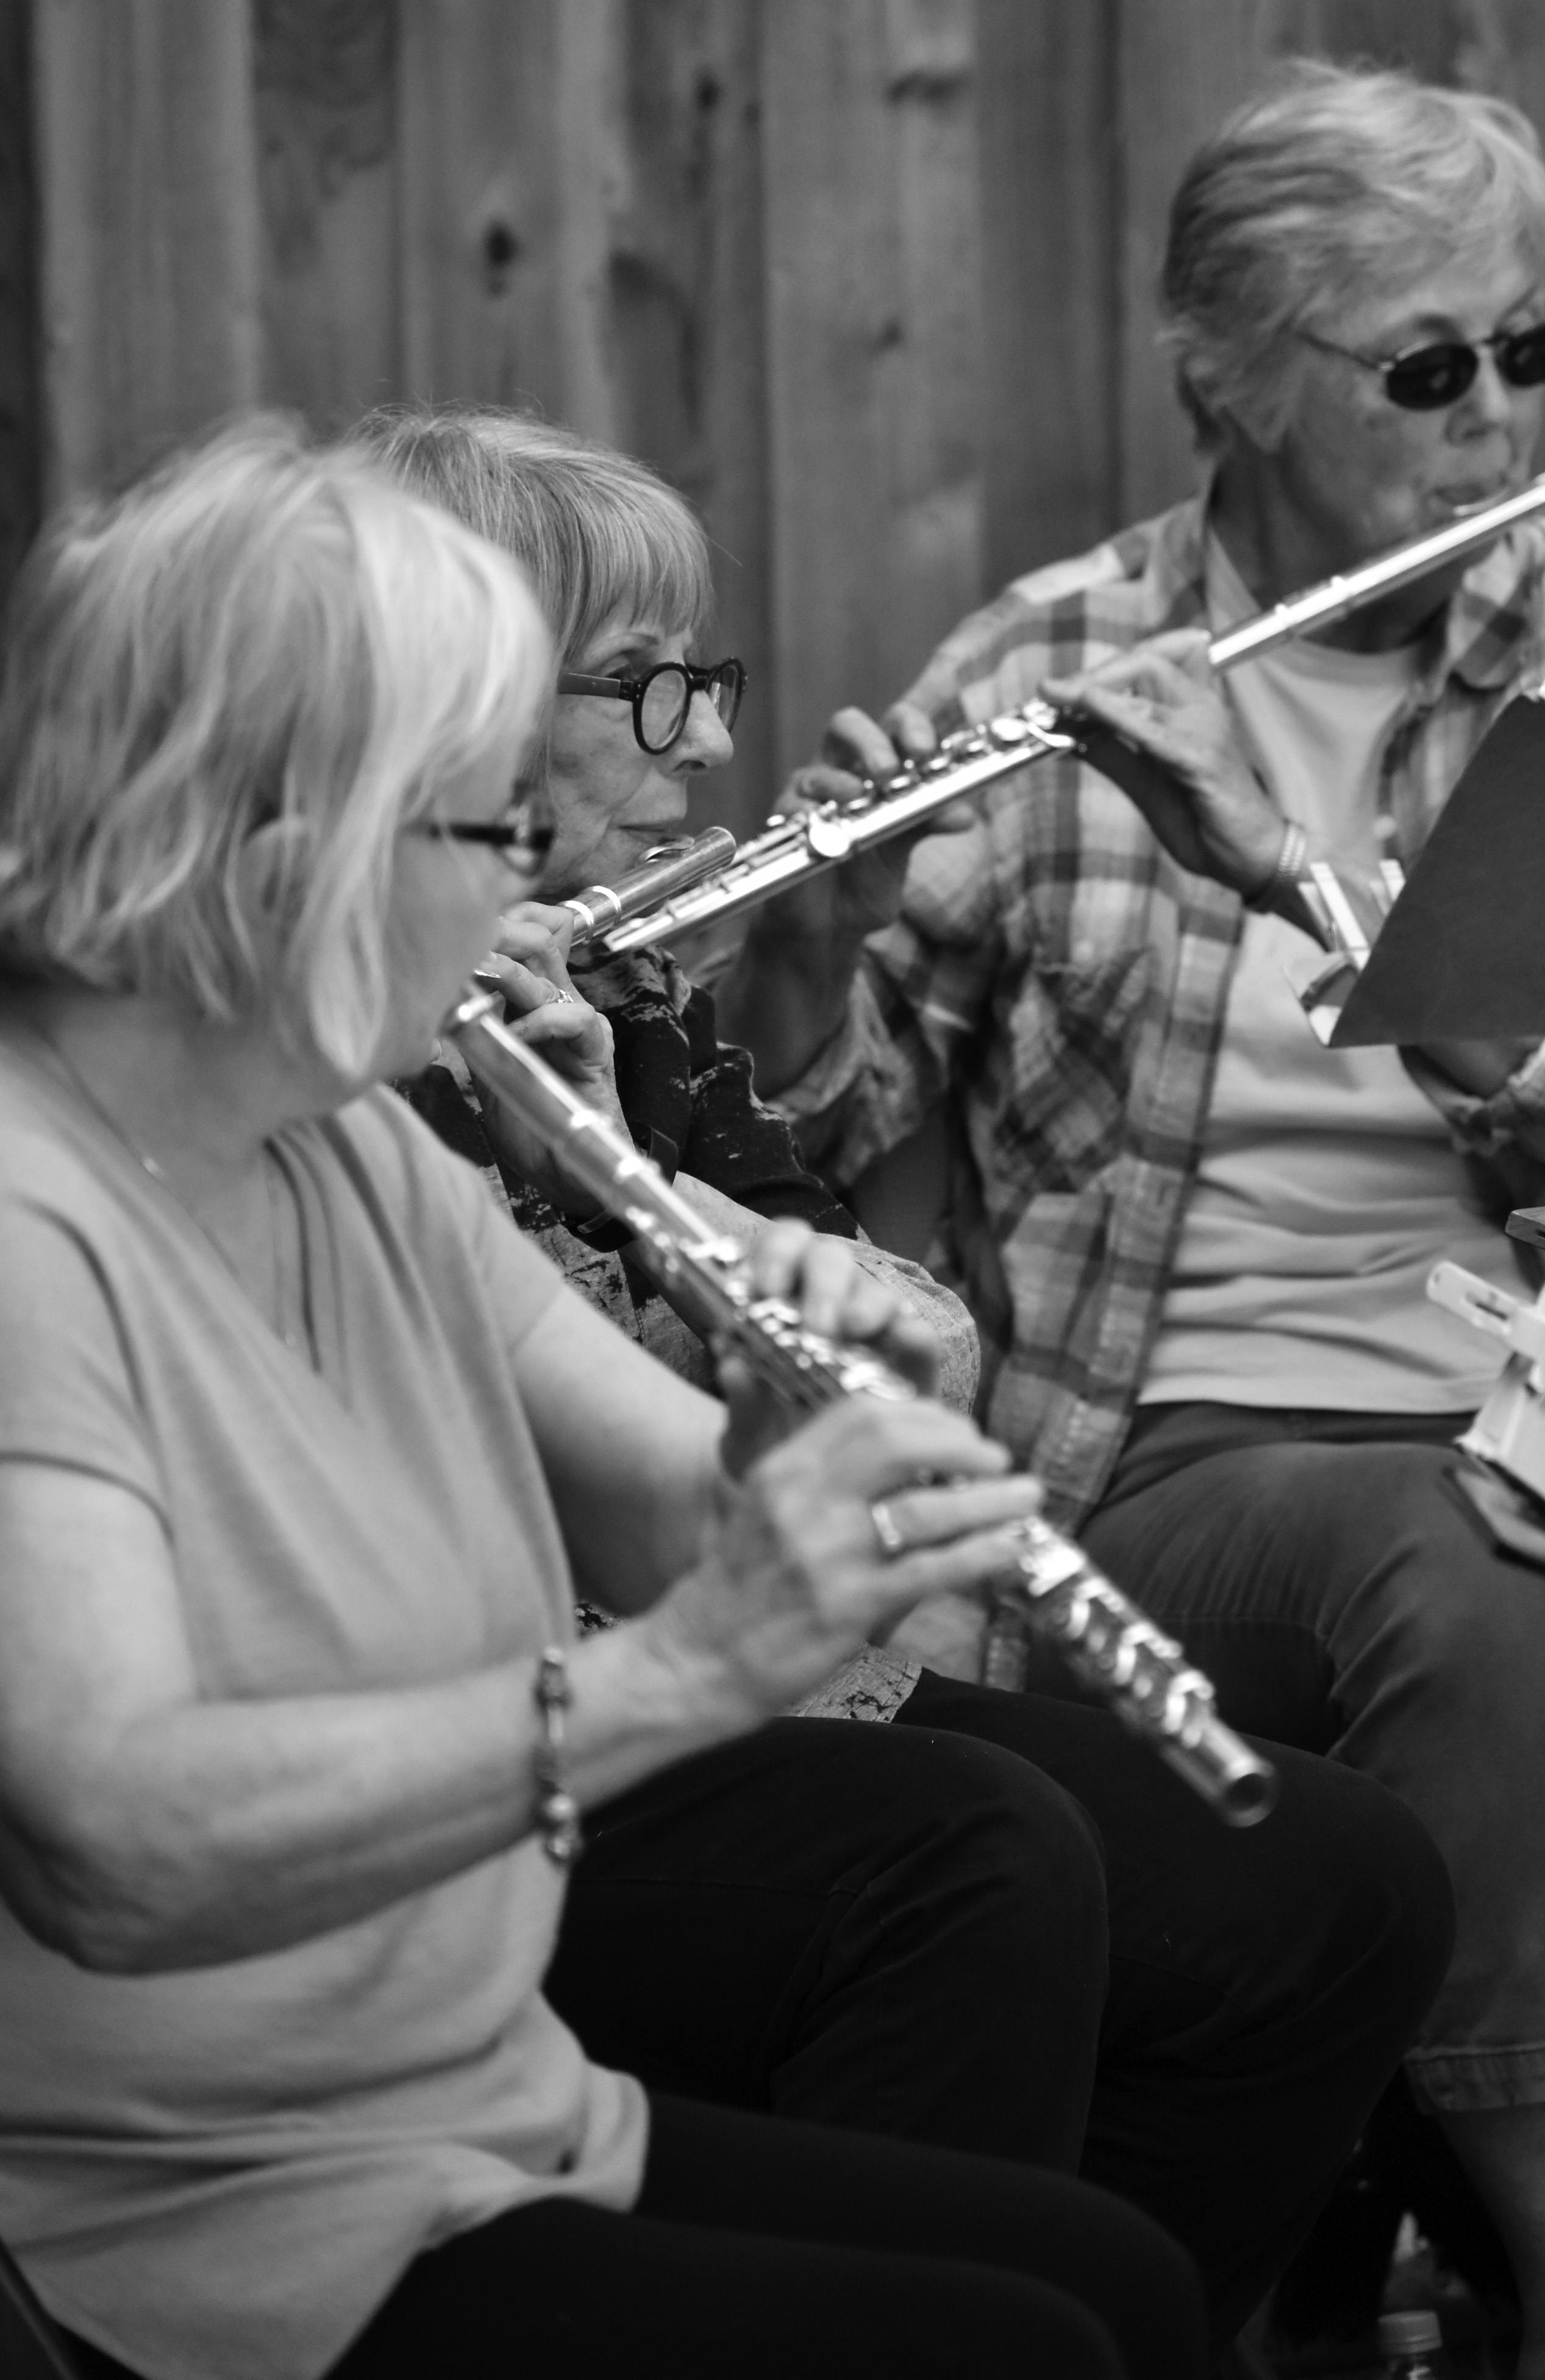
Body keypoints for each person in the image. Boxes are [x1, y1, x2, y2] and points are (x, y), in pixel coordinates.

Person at [0, 420, 1222, 2380]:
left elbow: (669, 1518)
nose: (528, 894)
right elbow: (120, 1846)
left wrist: (787, 1412)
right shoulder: (33, 1216)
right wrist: (678, 1675)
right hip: (202, 2217)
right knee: (1020, 2339)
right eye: (486, 833)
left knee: (1123, 2289)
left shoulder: (339, 1139)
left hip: (483, 2108)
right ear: (275, 839)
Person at [716, 62, 1545, 2380]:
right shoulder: (1051, 673)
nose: (1493, 421)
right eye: (1426, 366)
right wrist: (813, 937)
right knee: (1449, 1562)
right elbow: (813, 1130)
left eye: (1534, 353)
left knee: (1506, 1544)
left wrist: (1316, 892)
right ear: (1231, 373)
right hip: (1203, 1466)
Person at [349, 400, 1456, 2351]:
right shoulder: (354, 1053)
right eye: (644, 692)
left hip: (743, 1663)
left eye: (708, 684)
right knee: (978, 1862)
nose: (708, 744)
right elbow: (532, 1504)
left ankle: (1082, 2328)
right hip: (496, 1729)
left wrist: (655, 1171)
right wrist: (630, 1222)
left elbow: (901, 1347)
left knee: (1342, 1879)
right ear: (459, 716)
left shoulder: (609, 1003)